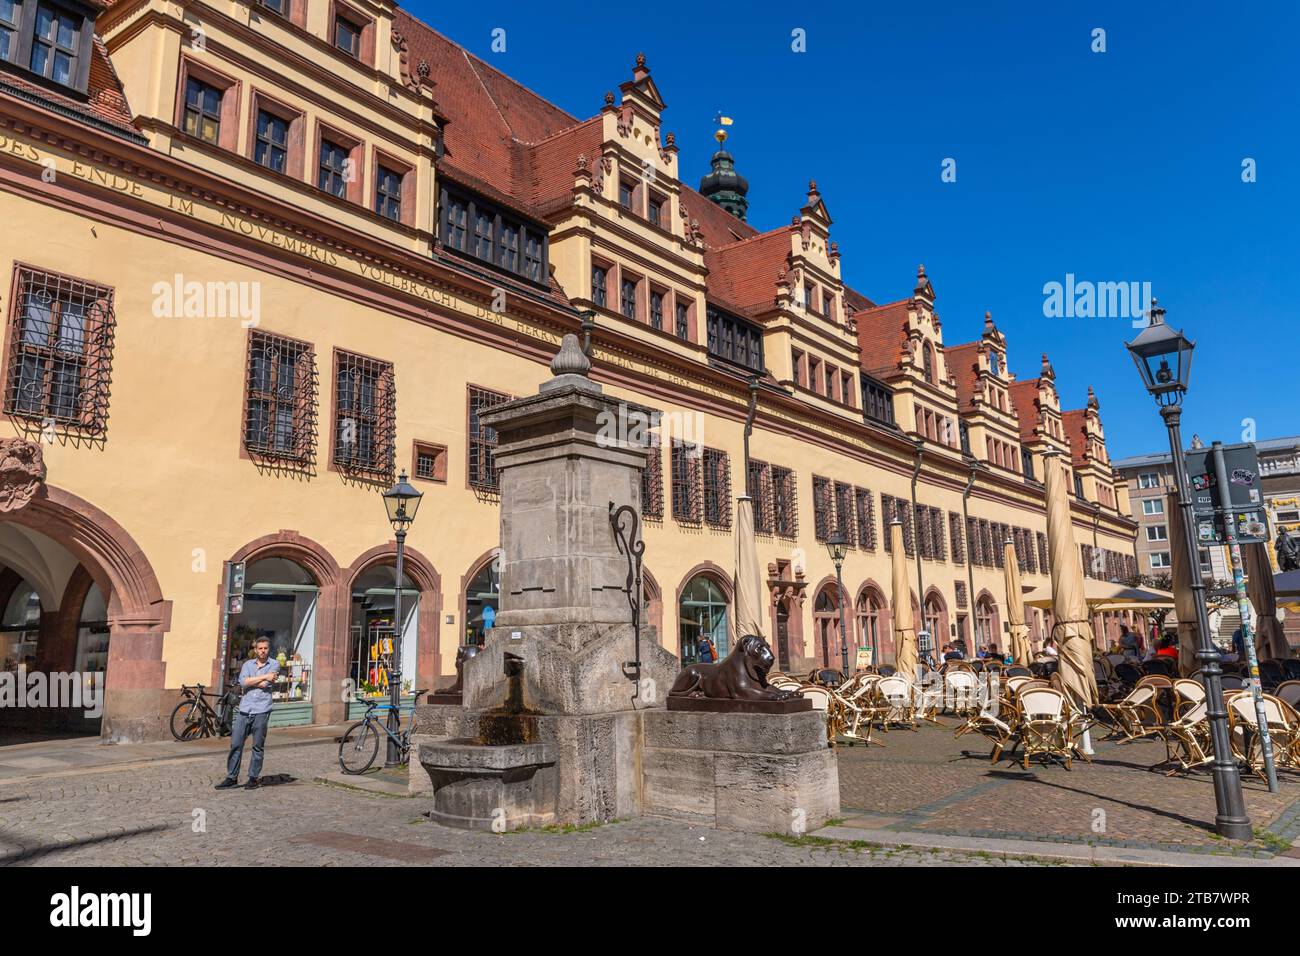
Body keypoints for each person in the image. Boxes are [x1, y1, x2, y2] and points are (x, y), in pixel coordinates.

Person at [214, 636, 281, 791]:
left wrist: (255, 680)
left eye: (265, 648)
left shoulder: (274, 664)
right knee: (236, 744)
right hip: (244, 709)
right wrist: (264, 676)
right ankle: (231, 777)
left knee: (257, 746)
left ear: (268, 649)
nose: (263, 651)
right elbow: (244, 682)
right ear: (255, 649)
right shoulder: (247, 665)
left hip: (262, 710)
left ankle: (253, 778)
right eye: (260, 648)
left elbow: (266, 684)